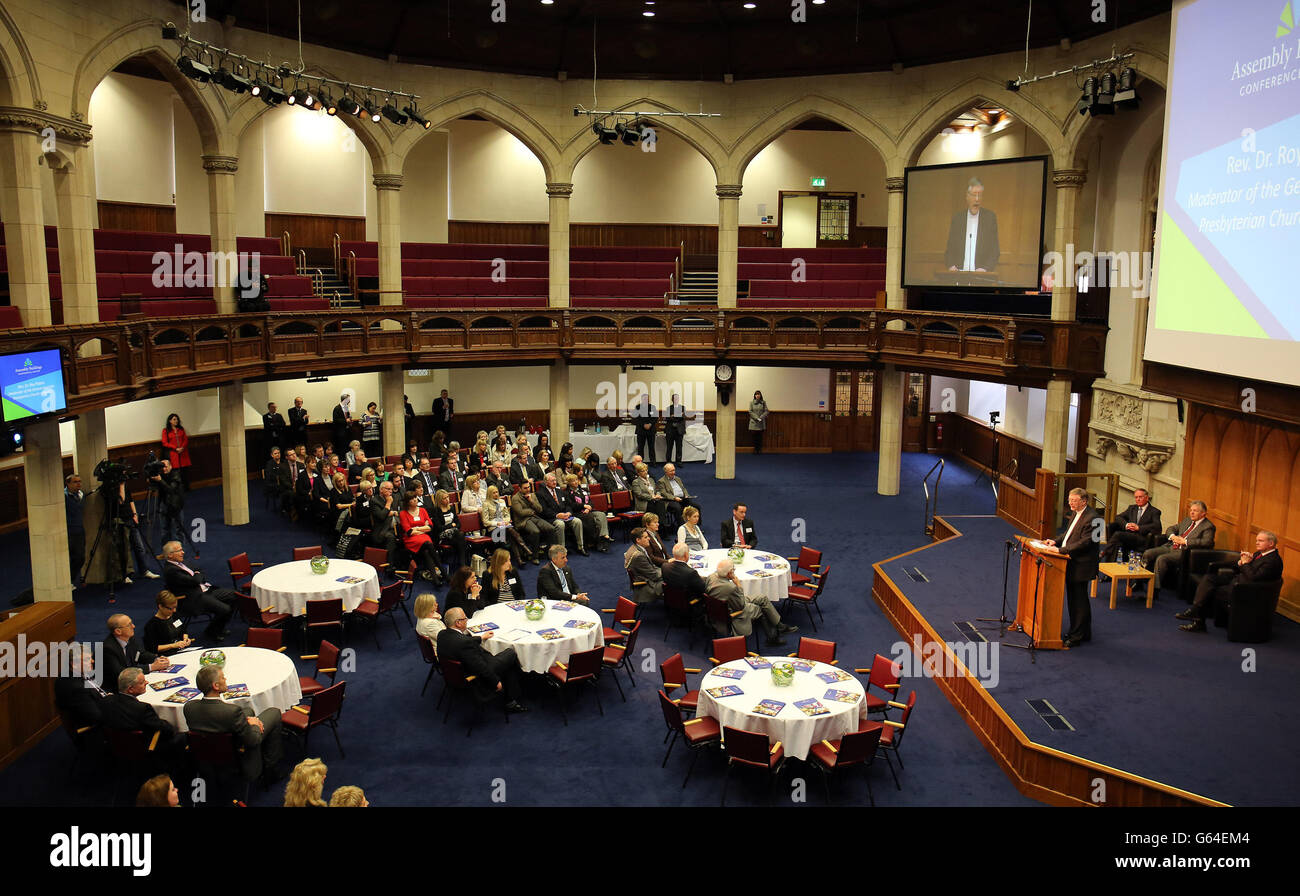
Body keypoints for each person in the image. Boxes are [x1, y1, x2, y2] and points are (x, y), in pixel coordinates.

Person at [185, 665, 283, 785]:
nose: (225, 679)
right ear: (216, 686)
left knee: (248, 711)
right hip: (236, 756)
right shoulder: (232, 712)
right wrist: (254, 724)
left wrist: (248, 720)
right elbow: (253, 740)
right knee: (274, 713)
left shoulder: (189, 707)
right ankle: (271, 771)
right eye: (223, 678)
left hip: (206, 757)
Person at [1177, 530, 1283, 632]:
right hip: (1239, 580)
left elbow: (1253, 577)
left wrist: (1245, 564)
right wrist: (1241, 562)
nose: (1257, 543)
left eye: (1260, 541)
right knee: (1209, 579)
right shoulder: (1259, 554)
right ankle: (1196, 611)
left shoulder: (1272, 560)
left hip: (1248, 590)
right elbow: (1248, 570)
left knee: (1211, 590)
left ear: (1271, 543)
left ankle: (1197, 619)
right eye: (1257, 540)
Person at [437, 607, 528, 713]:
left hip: (455, 675)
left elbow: (463, 641)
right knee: (510, 653)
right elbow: (480, 667)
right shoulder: (464, 643)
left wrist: (480, 638)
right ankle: (514, 696)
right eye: (465, 618)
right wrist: (495, 681)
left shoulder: (442, 634)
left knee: (507, 665)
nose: (467, 620)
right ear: (458, 623)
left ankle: (511, 699)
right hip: (475, 676)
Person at [1041, 487, 1101, 648]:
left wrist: (1060, 550)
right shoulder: (1076, 512)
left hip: (1083, 565)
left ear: (1084, 501)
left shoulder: (1095, 519)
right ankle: (1083, 632)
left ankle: (1077, 636)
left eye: (1073, 501)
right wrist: (1056, 541)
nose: (1070, 503)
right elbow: (1068, 535)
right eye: (1069, 500)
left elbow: (1086, 543)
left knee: (1079, 601)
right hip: (1071, 562)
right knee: (1075, 599)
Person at [161, 541, 240, 642]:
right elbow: (196, 580)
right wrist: (197, 575)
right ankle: (211, 631)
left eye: (182, 549)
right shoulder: (171, 570)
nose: (183, 552)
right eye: (179, 550)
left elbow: (199, 570)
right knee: (225, 609)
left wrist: (197, 575)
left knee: (235, 596)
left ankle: (217, 627)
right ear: (170, 555)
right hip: (194, 598)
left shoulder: (182, 561)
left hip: (205, 590)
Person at [707, 557, 796, 647]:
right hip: (734, 612)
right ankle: (772, 638)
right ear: (729, 572)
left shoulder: (711, 577)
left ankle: (780, 625)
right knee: (762, 609)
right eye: (733, 569)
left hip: (723, 605)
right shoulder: (731, 588)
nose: (734, 571)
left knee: (762, 598)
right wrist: (738, 585)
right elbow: (741, 605)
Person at [1141, 500, 1217, 598]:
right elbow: (1170, 529)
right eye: (1191, 510)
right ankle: (1139, 582)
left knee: (1161, 559)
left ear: (1203, 513)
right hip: (1170, 546)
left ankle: (1154, 591)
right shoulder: (1187, 520)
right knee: (1148, 553)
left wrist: (1185, 541)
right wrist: (1173, 536)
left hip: (1184, 552)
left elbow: (1207, 542)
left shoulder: (1208, 526)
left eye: (1195, 511)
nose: (1192, 513)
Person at [103, 667, 185, 757]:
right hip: (145, 752)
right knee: (182, 736)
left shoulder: (107, 700)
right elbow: (166, 729)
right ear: (130, 689)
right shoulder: (142, 708)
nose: (147, 682)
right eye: (142, 682)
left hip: (117, 751)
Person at [101, 614, 169, 692]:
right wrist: (151, 667)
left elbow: (141, 655)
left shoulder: (130, 638)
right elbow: (122, 674)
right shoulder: (106, 649)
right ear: (118, 631)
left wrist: (157, 659)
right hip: (115, 689)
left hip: (132, 683)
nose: (133, 626)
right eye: (129, 625)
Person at [944, 176, 1000, 272]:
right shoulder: (957, 219)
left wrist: (985, 268)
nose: (977, 199)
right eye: (974, 195)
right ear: (967, 196)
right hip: (959, 275)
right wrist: (951, 266)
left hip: (981, 277)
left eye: (980, 195)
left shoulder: (990, 218)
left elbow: (995, 251)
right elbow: (949, 250)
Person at [115, 481, 160, 584]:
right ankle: (125, 575)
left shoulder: (125, 485)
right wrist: (121, 485)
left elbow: (130, 499)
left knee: (140, 547)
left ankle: (144, 570)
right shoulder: (112, 487)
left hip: (131, 518)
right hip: (120, 521)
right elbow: (121, 501)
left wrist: (135, 514)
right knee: (125, 550)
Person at [1102, 488, 1163, 563]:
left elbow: (1157, 526)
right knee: (1117, 543)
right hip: (1129, 536)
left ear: (1147, 498)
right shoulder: (1132, 508)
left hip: (1142, 538)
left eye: (1140, 497)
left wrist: (1139, 528)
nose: (1138, 499)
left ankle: (1104, 552)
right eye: (1136, 497)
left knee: (1118, 534)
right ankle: (1110, 568)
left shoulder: (1154, 511)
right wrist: (1126, 525)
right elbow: (1118, 517)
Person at [54, 644, 108, 729]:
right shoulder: (77, 689)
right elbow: (97, 717)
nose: (92, 661)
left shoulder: (76, 672)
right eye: (87, 659)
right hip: (97, 731)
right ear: (74, 664)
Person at [400, 493, 444, 585]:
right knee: (428, 544)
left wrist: (417, 529)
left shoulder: (423, 510)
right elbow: (409, 532)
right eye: (412, 499)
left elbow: (430, 527)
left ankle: (435, 579)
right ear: (407, 502)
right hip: (411, 540)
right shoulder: (403, 513)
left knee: (427, 551)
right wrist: (423, 527)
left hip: (423, 536)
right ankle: (443, 572)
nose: (415, 500)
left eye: (415, 498)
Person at [481, 485, 529, 567]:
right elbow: (485, 522)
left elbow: (507, 515)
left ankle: (519, 560)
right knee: (510, 531)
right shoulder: (486, 504)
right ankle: (524, 548)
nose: (496, 494)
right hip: (493, 529)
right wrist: (497, 523)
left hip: (504, 527)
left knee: (510, 533)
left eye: (497, 492)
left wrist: (505, 522)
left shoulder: (502, 501)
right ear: (489, 494)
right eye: (494, 493)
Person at [539, 471, 585, 555]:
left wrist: (569, 512)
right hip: (552, 518)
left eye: (555, 480)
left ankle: (580, 547)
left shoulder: (560, 491)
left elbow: (567, 504)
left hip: (565, 516)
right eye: (552, 481)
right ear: (546, 482)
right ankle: (562, 550)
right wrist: (557, 515)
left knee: (577, 521)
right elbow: (544, 510)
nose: (554, 482)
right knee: (560, 524)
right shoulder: (541, 494)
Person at [564, 472, 612, 552]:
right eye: (573, 481)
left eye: (576, 480)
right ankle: (597, 541)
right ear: (569, 483)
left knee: (601, 515)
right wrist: (583, 506)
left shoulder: (583, 490)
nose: (576, 482)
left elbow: (590, 502)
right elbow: (571, 505)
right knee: (589, 518)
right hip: (578, 512)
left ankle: (603, 536)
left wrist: (588, 508)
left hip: (588, 510)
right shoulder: (567, 493)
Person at [510, 480, 551, 562]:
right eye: (525, 488)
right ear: (519, 488)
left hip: (534, 518)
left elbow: (540, 509)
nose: (528, 489)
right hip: (522, 521)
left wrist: (531, 501)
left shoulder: (532, 495)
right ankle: (535, 557)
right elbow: (520, 513)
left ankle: (550, 552)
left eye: (529, 487)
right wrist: (532, 511)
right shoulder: (515, 498)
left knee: (551, 528)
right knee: (535, 531)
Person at [141, 590, 193, 655]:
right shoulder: (152, 625)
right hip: (166, 655)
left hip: (181, 650)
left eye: (175, 607)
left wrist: (186, 639)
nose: (174, 610)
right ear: (160, 606)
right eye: (170, 608)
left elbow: (183, 631)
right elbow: (152, 648)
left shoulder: (174, 616)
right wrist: (173, 645)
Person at [624, 527, 664, 605]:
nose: (649, 538)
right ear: (638, 540)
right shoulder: (639, 556)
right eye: (645, 537)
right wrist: (667, 571)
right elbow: (654, 576)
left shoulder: (634, 548)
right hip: (646, 586)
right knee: (674, 578)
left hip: (643, 577)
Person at [150, 458, 186, 544]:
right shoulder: (159, 475)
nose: (164, 469)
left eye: (165, 467)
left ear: (170, 466)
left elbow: (170, 490)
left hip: (175, 505)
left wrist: (160, 480)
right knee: (165, 529)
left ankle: (180, 551)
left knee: (179, 529)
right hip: (164, 505)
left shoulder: (176, 475)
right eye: (162, 467)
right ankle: (167, 551)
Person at [432, 489, 469, 569]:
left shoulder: (451, 508)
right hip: (442, 536)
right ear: (439, 500)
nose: (447, 500)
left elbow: (458, 524)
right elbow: (439, 527)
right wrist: (451, 525)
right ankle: (463, 564)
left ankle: (461, 564)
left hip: (454, 535)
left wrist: (452, 526)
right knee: (461, 537)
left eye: (448, 497)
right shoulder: (436, 511)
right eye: (444, 498)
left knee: (460, 536)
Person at [655, 463, 698, 530]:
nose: (673, 472)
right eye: (671, 471)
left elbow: (683, 488)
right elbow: (664, 493)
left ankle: (695, 527)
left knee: (695, 506)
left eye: (674, 470)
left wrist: (686, 495)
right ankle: (683, 528)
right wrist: (674, 498)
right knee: (677, 507)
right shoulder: (661, 481)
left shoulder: (677, 479)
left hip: (682, 498)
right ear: (666, 472)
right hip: (670, 500)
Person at [160, 413, 191, 490]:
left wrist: (182, 447)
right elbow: (164, 442)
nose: (176, 421)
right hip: (173, 453)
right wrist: (175, 448)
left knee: (184, 471)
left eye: (177, 419)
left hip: (183, 453)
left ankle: (186, 488)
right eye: (174, 419)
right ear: (170, 421)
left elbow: (185, 440)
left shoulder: (181, 429)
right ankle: (176, 488)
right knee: (175, 471)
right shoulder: (166, 430)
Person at [65, 473, 85, 586]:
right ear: (67, 483)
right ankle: (68, 582)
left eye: (79, 481)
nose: (79, 484)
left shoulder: (82, 495)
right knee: (71, 557)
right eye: (75, 482)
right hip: (69, 531)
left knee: (80, 557)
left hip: (79, 530)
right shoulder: (63, 497)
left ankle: (70, 579)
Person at [631, 392, 658, 464]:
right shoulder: (638, 407)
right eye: (644, 399)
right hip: (641, 430)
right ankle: (640, 462)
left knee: (651, 447)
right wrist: (643, 425)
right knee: (640, 448)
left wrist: (650, 424)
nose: (646, 400)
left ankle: (653, 461)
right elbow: (635, 418)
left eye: (647, 399)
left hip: (651, 430)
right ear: (642, 399)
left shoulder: (653, 407)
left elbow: (655, 418)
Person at [664, 392, 687, 465]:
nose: (676, 399)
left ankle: (679, 461)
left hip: (679, 430)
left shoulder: (682, 407)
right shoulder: (668, 408)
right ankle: (668, 461)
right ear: (672, 399)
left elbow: (683, 417)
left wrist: (673, 416)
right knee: (669, 447)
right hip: (670, 430)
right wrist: (677, 416)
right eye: (675, 398)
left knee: (679, 447)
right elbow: (667, 418)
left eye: (677, 398)